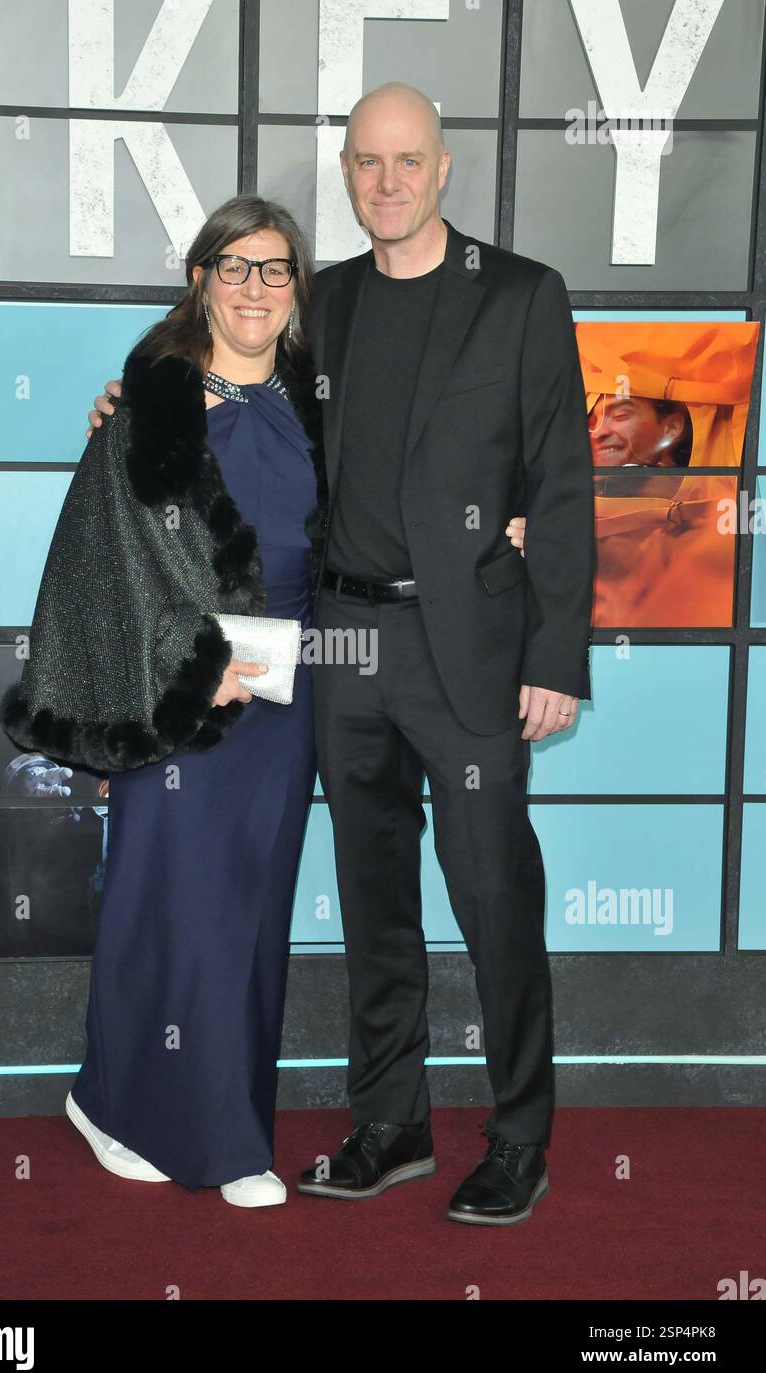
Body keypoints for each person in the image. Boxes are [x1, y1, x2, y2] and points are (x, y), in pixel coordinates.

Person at [87, 83, 595, 1227]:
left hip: (471, 649)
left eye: (408, 160)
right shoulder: (331, 303)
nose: (388, 180)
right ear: (349, 175)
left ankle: (519, 1138)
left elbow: (562, 483)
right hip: (340, 644)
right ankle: (391, 1123)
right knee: (374, 900)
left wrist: (555, 656)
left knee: (494, 896)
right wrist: (136, 403)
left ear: (444, 168)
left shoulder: (523, 294)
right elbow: (231, 385)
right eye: (367, 162)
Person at [0, 194, 329, 1207]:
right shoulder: (149, 412)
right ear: (200, 281)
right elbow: (100, 572)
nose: (254, 289)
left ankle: (185, 1111)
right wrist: (190, 665)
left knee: (252, 916)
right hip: (180, 699)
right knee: (167, 905)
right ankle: (145, 1117)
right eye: (234, 267)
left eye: (274, 269)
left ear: (295, 288)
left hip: (287, 696)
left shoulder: (321, 402)